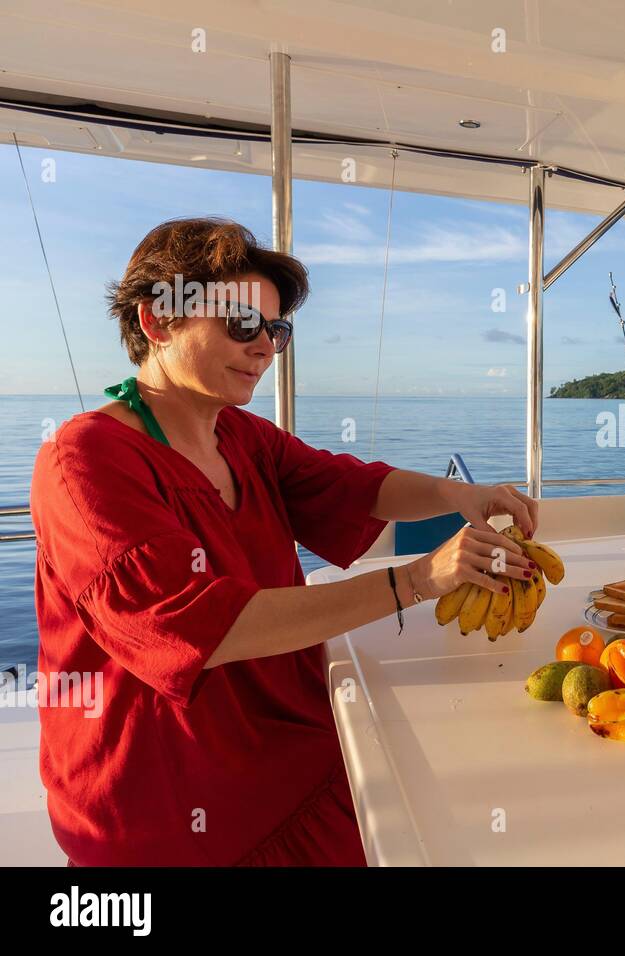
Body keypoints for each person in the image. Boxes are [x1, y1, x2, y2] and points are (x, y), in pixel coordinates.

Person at [30, 217, 541, 865]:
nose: (264, 347)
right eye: (242, 324)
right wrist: (414, 579)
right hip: (168, 803)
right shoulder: (86, 459)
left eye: (277, 331)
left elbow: (354, 486)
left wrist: (456, 495)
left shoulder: (241, 436)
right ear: (157, 322)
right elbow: (193, 628)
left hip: (291, 751)